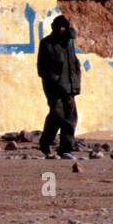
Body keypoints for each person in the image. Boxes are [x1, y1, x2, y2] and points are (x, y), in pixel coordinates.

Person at [36, 14, 81, 159]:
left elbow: (74, 63)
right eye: (59, 27)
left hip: (69, 87)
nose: (61, 29)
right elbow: (42, 68)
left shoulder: (68, 43)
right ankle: (45, 143)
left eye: (64, 27)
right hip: (54, 87)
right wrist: (53, 80)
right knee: (57, 114)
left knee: (70, 117)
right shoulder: (47, 43)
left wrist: (76, 82)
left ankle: (66, 148)